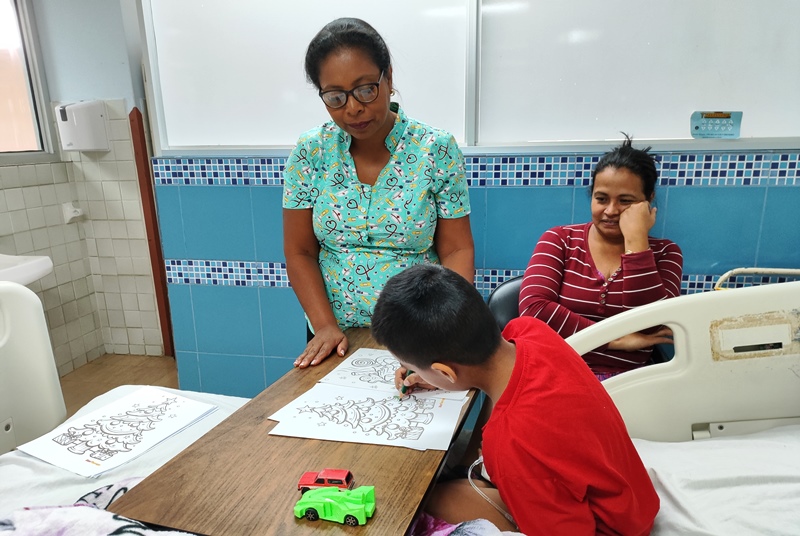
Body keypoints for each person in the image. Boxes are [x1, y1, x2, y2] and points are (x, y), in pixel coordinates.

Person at [372, 264, 660, 535]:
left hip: (610, 527)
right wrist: (441, 377)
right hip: (632, 498)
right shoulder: (529, 332)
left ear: (445, 372)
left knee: (424, 500)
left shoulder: (510, 443)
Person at [283, 17, 474, 368]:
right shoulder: (312, 151)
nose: (353, 108)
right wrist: (325, 326)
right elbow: (299, 251)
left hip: (420, 332)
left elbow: (457, 248)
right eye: (336, 97)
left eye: (365, 89)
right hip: (334, 336)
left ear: (388, 78)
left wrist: (447, 329)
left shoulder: (436, 148)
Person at [518, 135, 683, 379]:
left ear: (648, 200)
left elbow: (653, 324)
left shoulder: (665, 254)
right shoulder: (559, 240)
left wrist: (636, 243)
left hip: (630, 382)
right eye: (601, 198)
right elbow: (534, 310)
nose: (611, 211)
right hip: (556, 371)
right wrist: (614, 340)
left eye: (625, 201)